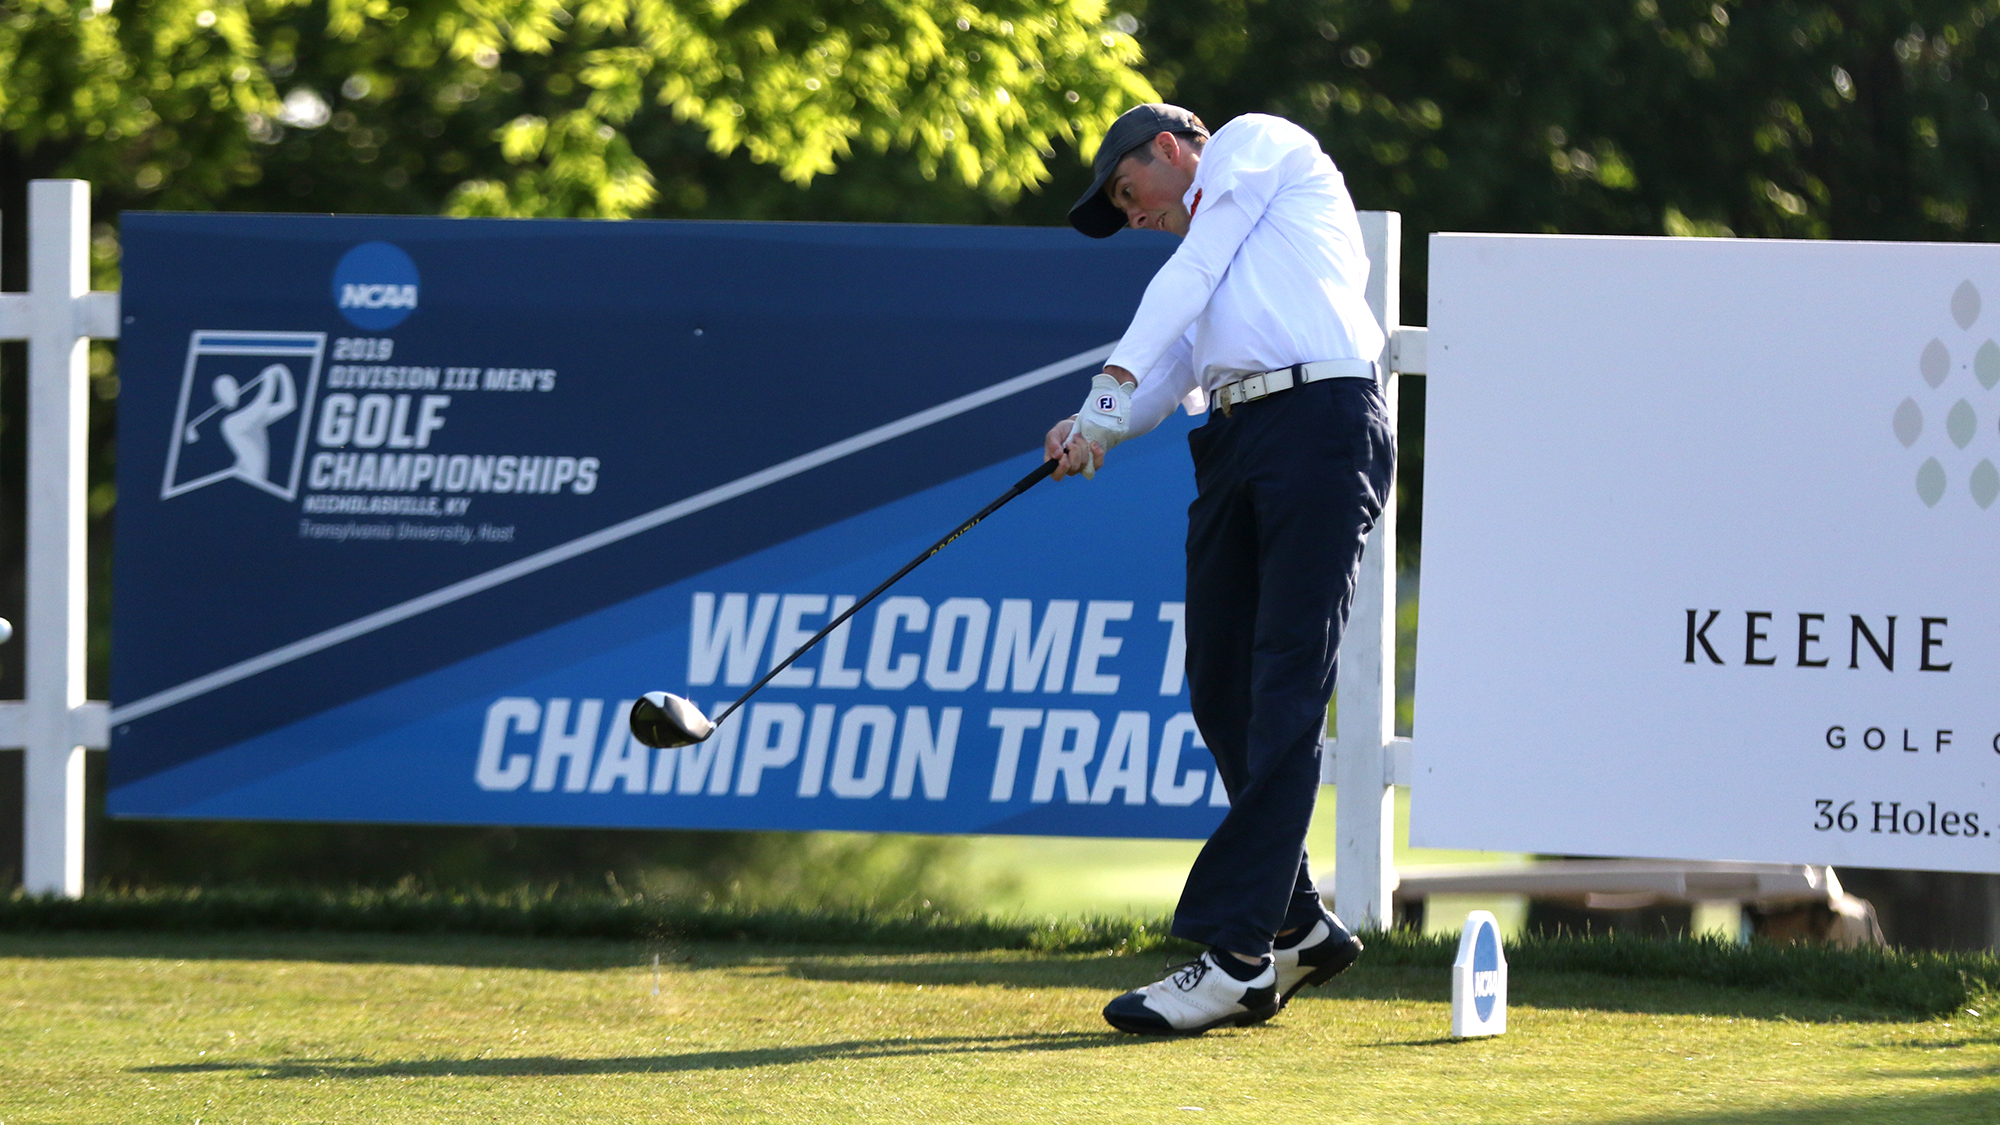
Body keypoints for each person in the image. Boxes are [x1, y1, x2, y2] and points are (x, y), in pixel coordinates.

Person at [1046, 104, 1394, 1035]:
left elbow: (1183, 283)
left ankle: (1239, 957)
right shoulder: (1216, 255)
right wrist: (1096, 427)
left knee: (1284, 682)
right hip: (1241, 440)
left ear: (1170, 148)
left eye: (1128, 193)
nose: (1132, 216)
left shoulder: (1253, 145)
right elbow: (1174, 375)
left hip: (1324, 427)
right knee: (1220, 688)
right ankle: (1297, 919)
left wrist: (1106, 387)